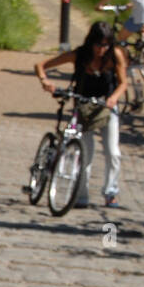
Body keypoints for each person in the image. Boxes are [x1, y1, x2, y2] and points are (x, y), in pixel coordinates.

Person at [34, 21, 129, 208]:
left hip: (105, 106)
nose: (102, 49)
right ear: (91, 42)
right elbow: (41, 65)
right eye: (98, 44)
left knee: (113, 152)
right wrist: (46, 82)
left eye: (106, 45)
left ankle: (111, 191)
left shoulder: (115, 56)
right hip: (83, 107)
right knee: (84, 152)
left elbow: (123, 82)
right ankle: (81, 194)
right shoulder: (79, 55)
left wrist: (114, 98)